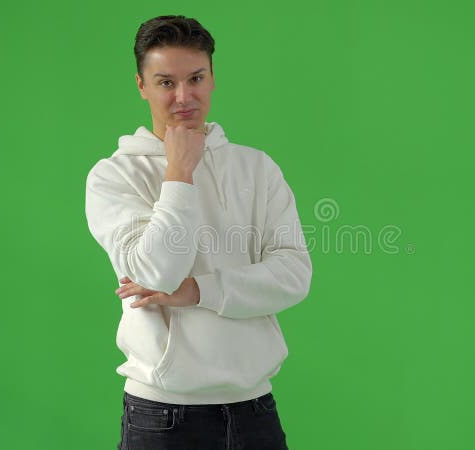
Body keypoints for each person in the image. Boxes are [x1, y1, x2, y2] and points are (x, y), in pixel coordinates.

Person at [84, 15, 312, 450]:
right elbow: (155, 274)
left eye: (196, 78)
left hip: (255, 408)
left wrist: (196, 291)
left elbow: (294, 275)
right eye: (166, 82)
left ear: (212, 78)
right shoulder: (114, 176)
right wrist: (179, 170)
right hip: (162, 416)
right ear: (141, 85)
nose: (183, 96)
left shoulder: (256, 168)